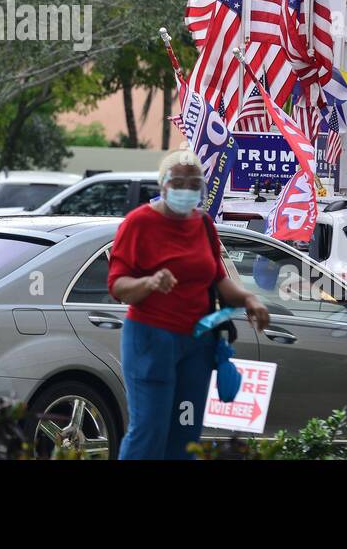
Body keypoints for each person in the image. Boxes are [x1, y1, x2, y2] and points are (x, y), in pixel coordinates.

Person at [107, 149, 270, 460]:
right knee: (149, 430)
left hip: (197, 344)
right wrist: (150, 282)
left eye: (194, 182)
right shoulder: (138, 223)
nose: (186, 189)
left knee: (186, 432)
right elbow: (117, 285)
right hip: (151, 341)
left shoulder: (203, 224)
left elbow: (218, 280)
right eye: (178, 181)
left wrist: (249, 298)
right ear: (163, 184)